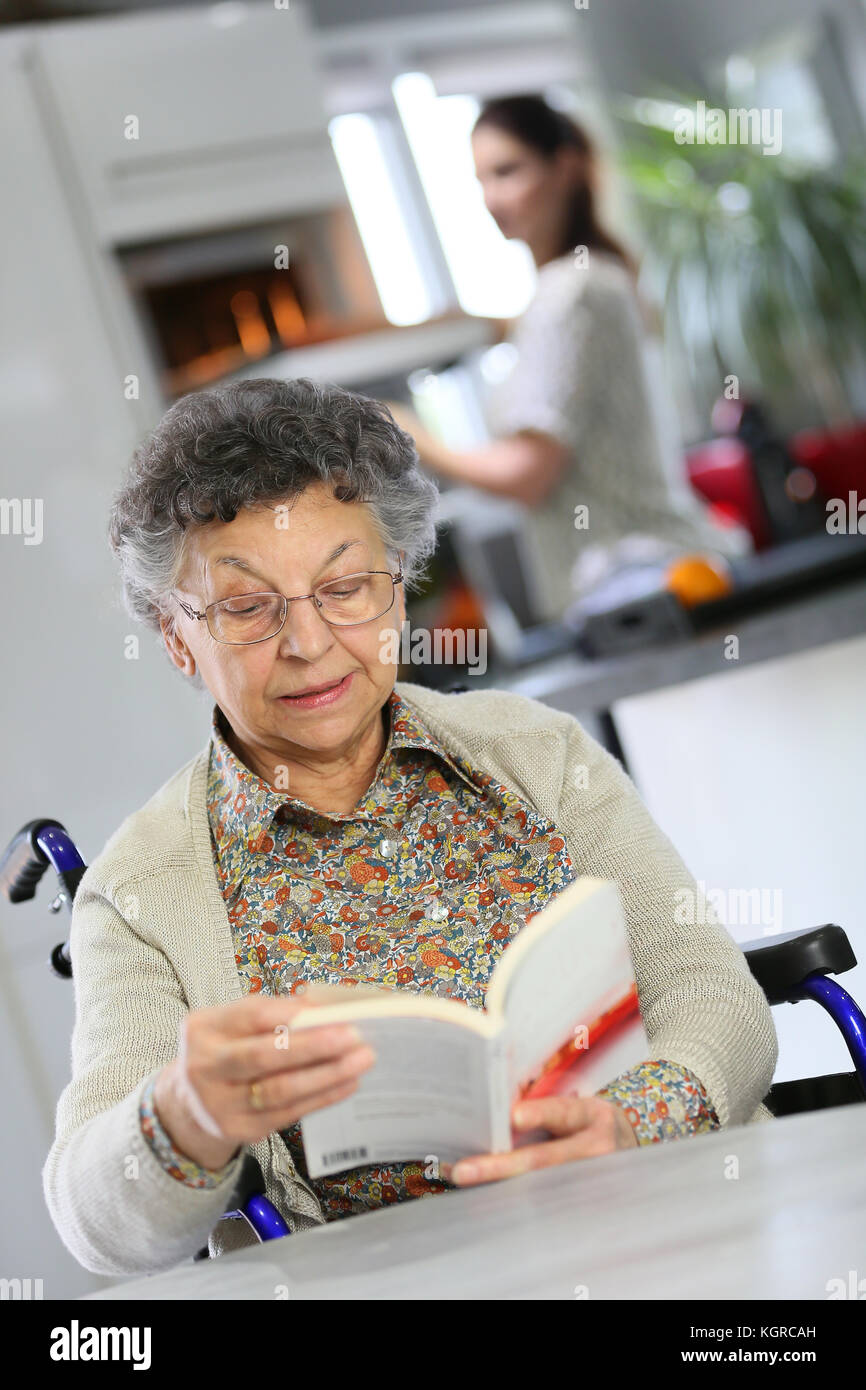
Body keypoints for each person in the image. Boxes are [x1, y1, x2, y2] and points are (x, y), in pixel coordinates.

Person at [42, 377, 775, 1277]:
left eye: (345, 587)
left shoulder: (540, 751)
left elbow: (714, 993)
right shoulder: (141, 892)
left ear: (398, 591)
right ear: (177, 638)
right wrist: (184, 1117)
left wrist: (635, 1120)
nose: (309, 643)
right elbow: (93, 1223)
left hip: (673, 1237)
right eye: (246, 608)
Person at [388, 94, 752, 623]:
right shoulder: (587, 280)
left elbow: (527, 475)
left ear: (564, 168)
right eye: (481, 181)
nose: (491, 198)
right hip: (663, 578)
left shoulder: (571, 293)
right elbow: (510, 327)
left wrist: (406, 431)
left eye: (507, 171)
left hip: (640, 582)